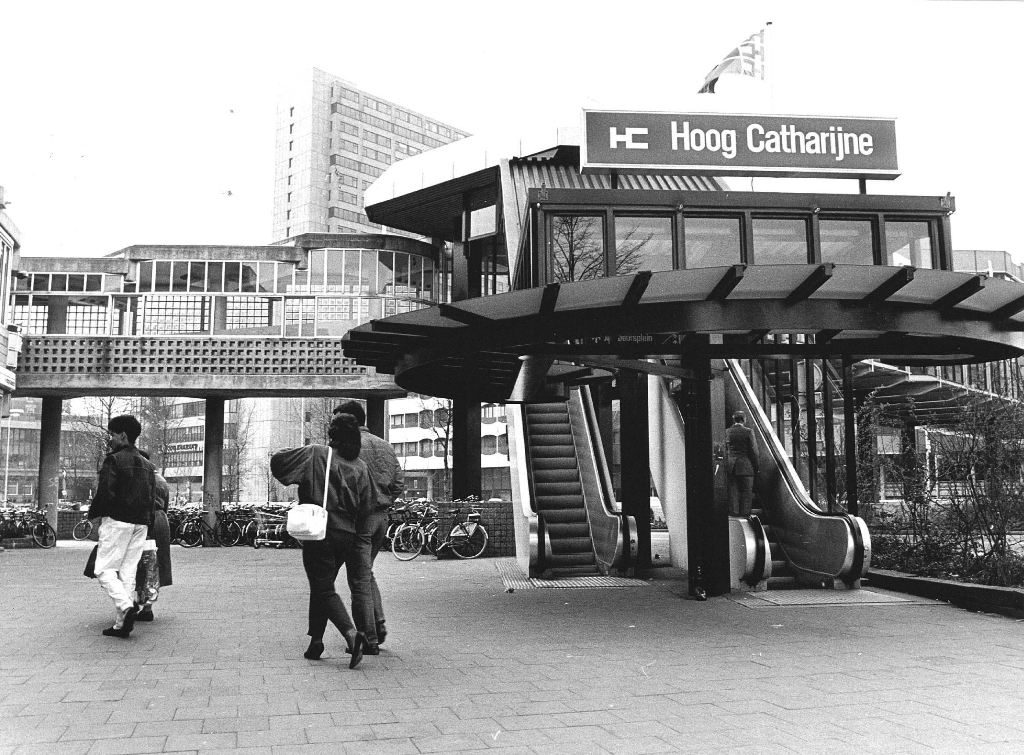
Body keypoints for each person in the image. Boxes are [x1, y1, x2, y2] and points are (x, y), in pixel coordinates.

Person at [270, 413, 377, 669]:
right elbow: (368, 506)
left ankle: (351, 635)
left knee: (323, 587)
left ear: (332, 435)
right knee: (322, 584)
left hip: (320, 531)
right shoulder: (361, 467)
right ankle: (315, 642)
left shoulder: (317, 454)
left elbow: (279, 462)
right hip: (346, 536)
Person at [334, 400, 404, 648]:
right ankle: (378, 622)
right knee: (366, 573)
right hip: (381, 518)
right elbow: (399, 482)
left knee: (358, 579)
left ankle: (368, 637)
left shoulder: (348, 447)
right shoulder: (385, 445)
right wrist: (384, 502)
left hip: (360, 520)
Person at [87, 415, 156, 638]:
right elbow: (152, 498)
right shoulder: (148, 465)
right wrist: (148, 523)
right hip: (141, 523)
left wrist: (95, 517)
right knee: (128, 572)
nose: (110, 439)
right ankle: (121, 624)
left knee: (103, 569)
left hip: (117, 521)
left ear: (123, 435)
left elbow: (105, 492)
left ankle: (126, 607)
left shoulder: (113, 460)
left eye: (112, 434)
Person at [135, 451, 172, 621]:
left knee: (142, 562)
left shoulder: (144, 479)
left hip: (146, 520)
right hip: (161, 521)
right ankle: (147, 605)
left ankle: (142, 604)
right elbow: (166, 505)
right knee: (156, 563)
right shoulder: (161, 479)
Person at [725, 410, 759, 517]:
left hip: (731, 467)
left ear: (733, 419)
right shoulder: (748, 432)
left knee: (733, 493)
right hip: (746, 467)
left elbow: (724, 449)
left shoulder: (727, 432)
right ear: (744, 419)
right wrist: (756, 466)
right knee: (746, 493)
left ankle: (734, 515)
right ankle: (745, 516)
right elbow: (754, 451)